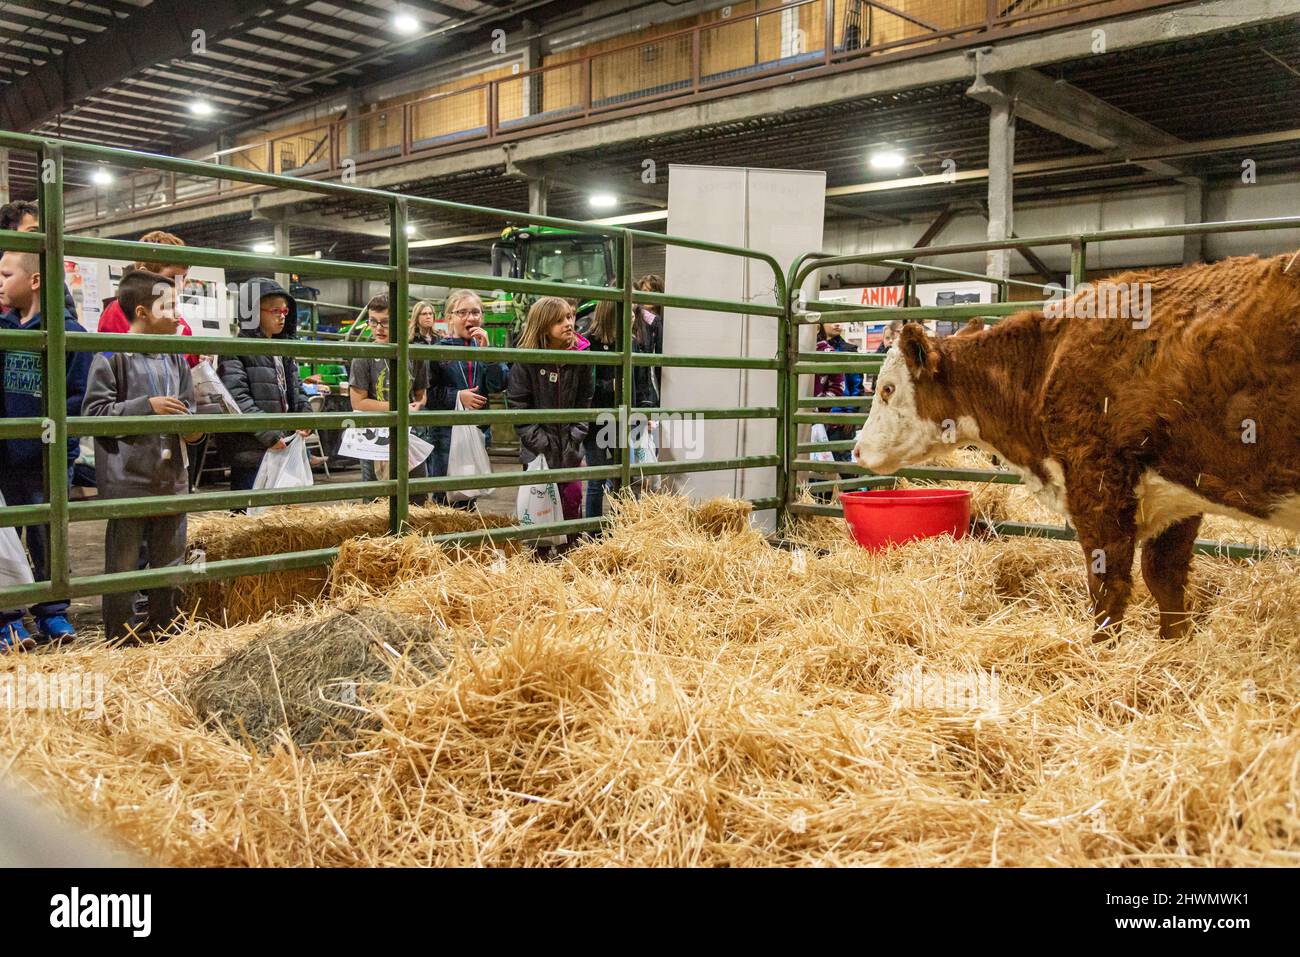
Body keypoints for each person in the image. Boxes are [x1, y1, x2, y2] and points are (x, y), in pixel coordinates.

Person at [82, 270, 202, 643]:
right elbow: (93, 414)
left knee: (170, 559)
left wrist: (194, 428)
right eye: (169, 306)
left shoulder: (177, 360)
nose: (178, 314)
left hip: (171, 478)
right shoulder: (111, 357)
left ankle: (166, 627)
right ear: (142, 312)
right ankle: (120, 633)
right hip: (127, 481)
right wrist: (145, 406)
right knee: (123, 561)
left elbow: (193, 412)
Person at [0, 250, 91, 650]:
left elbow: (77, 399)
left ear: (35, 281)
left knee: (47, 538)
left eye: (5, 274)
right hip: (4, 458)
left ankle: (53, 611)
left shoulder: (70, 335)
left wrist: (63, 453)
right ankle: (7, 617)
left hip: (44, 459)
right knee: (4, 538)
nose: (0, 282)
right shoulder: (2, 329)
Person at [202, 278, 311, 492]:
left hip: (283, 445)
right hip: (252, 452)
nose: (281, 316)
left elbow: (297, 388)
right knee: (249, 516)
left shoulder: (284, 350)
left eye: (285, 311)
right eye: (274, 311)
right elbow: (237, 398)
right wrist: (268, 434)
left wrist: (305, 416)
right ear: (252, 312)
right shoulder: (235, 350)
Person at [506, 296, 593, 525]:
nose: (568, 323)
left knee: (572, 502)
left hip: (570, 448)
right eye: (558, 320)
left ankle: (570, 551)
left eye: (569, 317)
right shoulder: (527, 360)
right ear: (543, 326)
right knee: (539, 507)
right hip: (538, 452)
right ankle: (539, 556)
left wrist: (576, 436)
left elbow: (585, 400)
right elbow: (518, 404)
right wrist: (541, 443)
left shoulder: (582, 358)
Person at [424, 290, 507, 507]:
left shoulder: (485, 349)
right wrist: (457, 396)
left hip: (478, 431)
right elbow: (427, 395)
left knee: (470, 495)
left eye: (475, 312)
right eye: (462, 312)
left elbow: (498, 384)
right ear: (449, 317)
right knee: (445, 497)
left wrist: (487, 354)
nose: (470, 318)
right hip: (446, 435)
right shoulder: (438, 351)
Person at [581, 299, 659, 519]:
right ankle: (594, 533)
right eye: (628, 312)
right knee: (597, 480)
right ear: (611, 313)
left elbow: (643, 383)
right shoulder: (589, 344)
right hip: (596, 422)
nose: (633, 316)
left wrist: (646, 412)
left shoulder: (632, 344)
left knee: (622, 479)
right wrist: (610, 386)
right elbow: (585, 386)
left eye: (634, 312)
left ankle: (619, 529)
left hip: (626, 422)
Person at [349, 293, 430, 496]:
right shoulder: (363, 356)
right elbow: (358, 402)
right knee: (375, 499)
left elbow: (421, 393)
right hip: (372, 437)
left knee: (416, 494)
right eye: (373, 322)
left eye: (385, 322)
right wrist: (399, 408)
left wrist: (418, 404)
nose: (378, 329)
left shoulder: (415, 355)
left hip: (408, 433)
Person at [96, 231, 199, 365]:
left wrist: (198, 356)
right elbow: (115, 364)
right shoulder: (119, 313)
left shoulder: (181, 324)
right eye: (171, 277)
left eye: (183, 278)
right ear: (144, 274)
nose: (179, 286)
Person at [819, 322, 863, 497]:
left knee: (844, 467)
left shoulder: (848, 350)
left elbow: (856, 386)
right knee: (819, 470)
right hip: (818, 418)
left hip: (840, 420)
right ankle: (822, 509)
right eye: (832, 320)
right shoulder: (814, 348)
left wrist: (850, 415)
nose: (838, 324)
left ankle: (856, 504)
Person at [810, 325, 845, 504]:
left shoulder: (827, 352)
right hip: (801, 420)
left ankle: (819, 508)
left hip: (818, 423)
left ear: (816, 328)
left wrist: (820, 406)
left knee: (820, 470)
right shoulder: (791, 351)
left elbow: (838, 386)